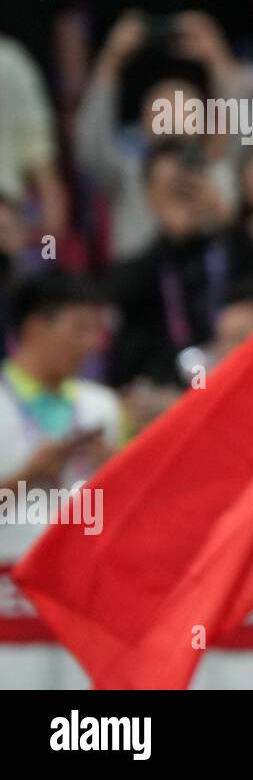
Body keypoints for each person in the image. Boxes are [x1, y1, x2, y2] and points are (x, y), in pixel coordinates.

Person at [0, 270, 122, 689]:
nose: (91, 343)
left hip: (82, 611)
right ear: (36, 326)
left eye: (96, 331)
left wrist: (120, 474)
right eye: (79, 329)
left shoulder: (101, 406)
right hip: (10, 613)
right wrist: (25, 478)